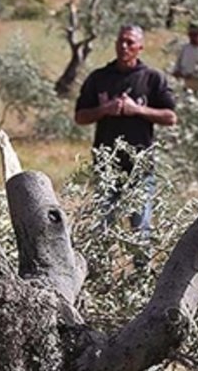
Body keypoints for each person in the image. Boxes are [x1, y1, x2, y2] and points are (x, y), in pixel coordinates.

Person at [74, 24, 177, 235]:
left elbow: (170, 117)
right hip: (107, 166)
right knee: (102, 230)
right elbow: (80, 116)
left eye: (129, 42)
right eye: (120, 41)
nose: (123, 46)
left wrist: (136, 109)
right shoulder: (99, 77)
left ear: (140, 46)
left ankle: (142, 269)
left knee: (141, 231)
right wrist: (105, 109)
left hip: (140, 168)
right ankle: (100, 268)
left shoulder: (152, 78)